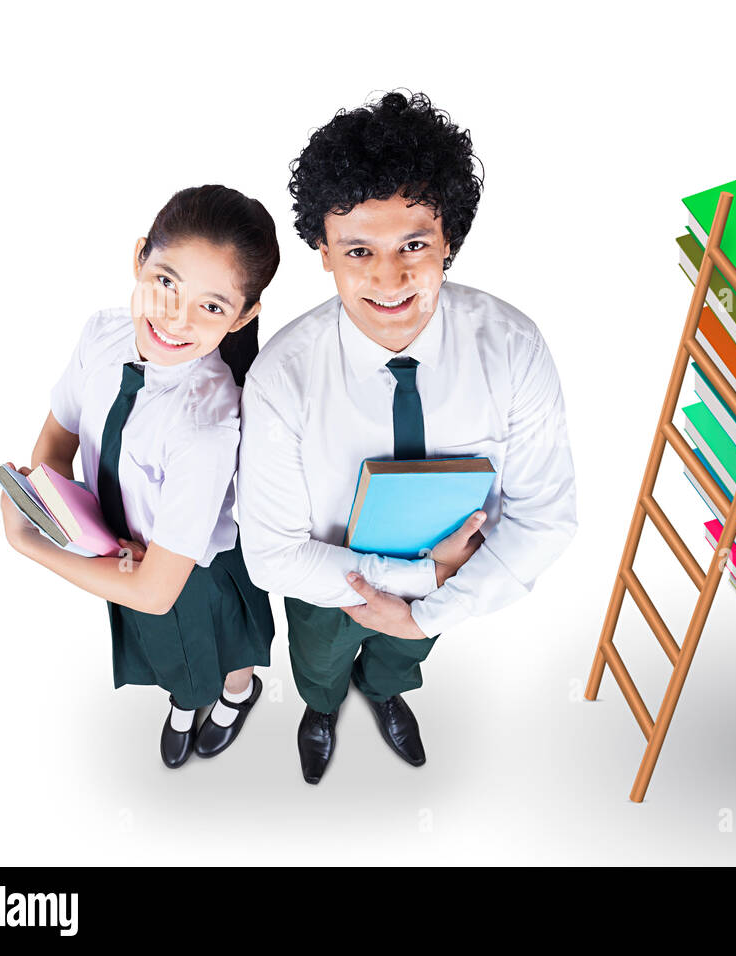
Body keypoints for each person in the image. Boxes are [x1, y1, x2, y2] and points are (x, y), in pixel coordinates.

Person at [239, 91, 578, 785]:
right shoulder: (282, 376)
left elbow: (546, 516)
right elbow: (273, 556)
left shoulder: (512, 348)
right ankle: (322, 710)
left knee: (403, 656)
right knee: (320, 664)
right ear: (322, 252)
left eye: (414, 245)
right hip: (335, 583)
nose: (389, 279)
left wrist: (430, 611)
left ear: (448, 239)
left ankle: (387, 693)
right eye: (358, 249)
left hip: (452, 581)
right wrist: (426, 576)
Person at [0, 184, 280, 769]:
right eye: (166, 281)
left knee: (223, 646)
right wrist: (51, 511)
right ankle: (184, 703)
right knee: (171, 657)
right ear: (139, 259)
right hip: (119, 552)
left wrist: (28, 543)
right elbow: (58, 436)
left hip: (194, 567)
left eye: (212, 306)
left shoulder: (206, 421)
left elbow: (157, 591)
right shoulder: (101, 332)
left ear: (243, 316)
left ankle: (236, 695)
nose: (174, 318)